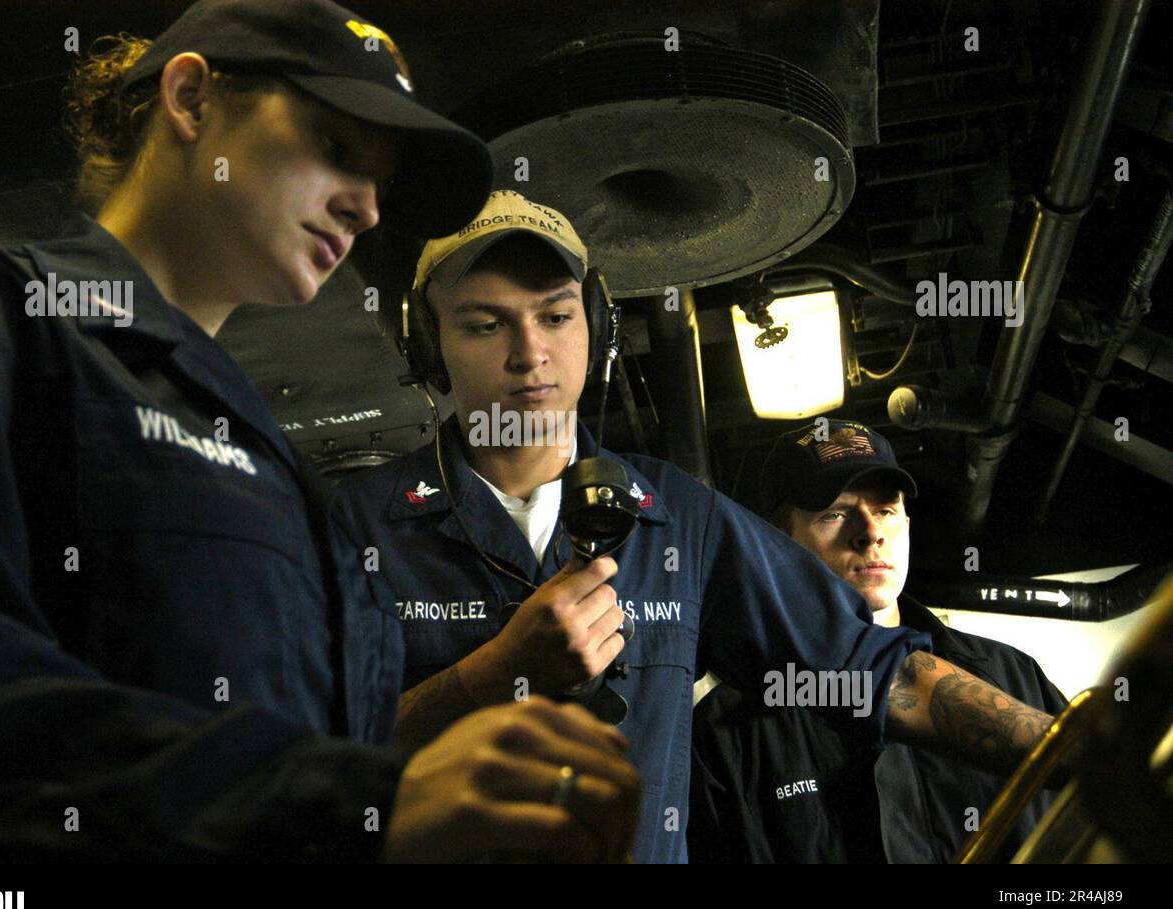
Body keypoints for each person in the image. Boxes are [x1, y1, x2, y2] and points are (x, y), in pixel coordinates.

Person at [0, 0, 640, 864]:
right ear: (193, 98)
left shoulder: (273, 469)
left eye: (379, 181)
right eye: (337, 149)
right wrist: (360, 804)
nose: (367, 209)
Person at [334, 189, 1060, 863]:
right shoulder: (353, 526)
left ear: (597, 326)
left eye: (556, 316)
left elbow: (875, 672)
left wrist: (1073, 749)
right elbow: (290, 766)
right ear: (428, 345)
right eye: (485, 324)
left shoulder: (676, 515)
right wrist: (490, 676)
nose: (530, 354)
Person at [689, 421, 1068, 863]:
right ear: (777, 542)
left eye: (886, 510)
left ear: (905, 522)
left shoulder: (1010, 677)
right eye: (834, 513)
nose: (870, 533)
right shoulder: (726, 734)